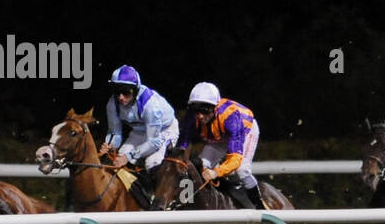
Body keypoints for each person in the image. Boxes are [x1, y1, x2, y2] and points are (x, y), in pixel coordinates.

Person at [99, 65, 178, 210]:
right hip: (140, 131)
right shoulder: (112, 104)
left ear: (135, 90)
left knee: (151, 162)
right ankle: (139, 200)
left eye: (125, 92)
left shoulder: (150, 105)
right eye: (117, 92)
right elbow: (115, 134)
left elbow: (153, 142)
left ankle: (160, 202)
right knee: (117, 161)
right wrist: (109, 145)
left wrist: (128, 156)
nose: (120, 97)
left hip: (163, 130)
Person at [177, 82, 265, 210]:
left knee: (242, 170)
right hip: (219, 136)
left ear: (215, 108)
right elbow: (183, 144)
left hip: (245, 130)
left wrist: (216, 172)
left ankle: (260, 208)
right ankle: (188, 205)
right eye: (196, 111)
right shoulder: (192, 117)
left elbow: (235, 159)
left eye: (205, 110)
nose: (200, 116)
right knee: (199, 167)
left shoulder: (232, 118)